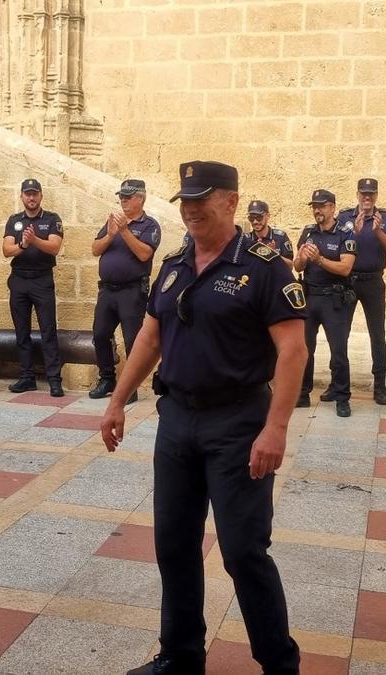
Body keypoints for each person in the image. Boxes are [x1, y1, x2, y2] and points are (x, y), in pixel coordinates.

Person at [101, 160, 305, 675]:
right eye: (185, 200)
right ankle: (181, 655)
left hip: (237, 423)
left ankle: (280, 665)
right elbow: (150, 337)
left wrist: (275, 427)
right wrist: (118, 399)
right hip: (177, 422)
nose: (191, 209)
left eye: (202, 198)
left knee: (242, 552)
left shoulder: (265, 267)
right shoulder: (174, 264)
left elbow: (293, 352)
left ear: (232, 201)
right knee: (173, 543)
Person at [90, 179, 162, 402]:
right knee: (100, 334)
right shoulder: (112, 222)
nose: (123, 200)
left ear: (140, 198)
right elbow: (95, 249)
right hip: (107, 291)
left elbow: (144, 254)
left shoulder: (150, 225)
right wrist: (111, 234)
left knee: (133, 340)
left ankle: (130, 387)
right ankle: (107, 379)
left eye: (128, 196)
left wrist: (124, 231)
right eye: (121, 196)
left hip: (132, 292)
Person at [294, 189, 356, 417]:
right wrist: (302, 257)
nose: (317, 210)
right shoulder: (308, 233)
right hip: (310, 298)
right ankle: (302, 394)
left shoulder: (345, 233)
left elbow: (346, 267)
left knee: (338, 351)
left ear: (332, 207)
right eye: (314, 206)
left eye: (321, 206)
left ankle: (342, 397)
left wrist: (319, 259)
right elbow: (298, 266)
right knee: (304, 349)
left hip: (334, 299)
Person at [336, 178, 386, 404]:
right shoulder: (345, 217)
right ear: (357, 194)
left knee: (377, 335)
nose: (367, 198)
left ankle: (380, 384)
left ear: (377, 195)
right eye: (363, 194)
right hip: (349, 281)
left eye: (371, 194)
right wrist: (356, 232)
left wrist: (378, 231)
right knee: (340, 334)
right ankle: (337, 382)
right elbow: (338, 244)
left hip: (373, 281)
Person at [3, 178, 65, 397]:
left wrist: (34, 240)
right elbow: (6, 250)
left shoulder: (51, 219)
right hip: (19, 279)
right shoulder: (14, 220)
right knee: (22, 332)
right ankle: (27, 377)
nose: (31, 197)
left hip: (42, 280)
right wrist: (23, 244)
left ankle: (54, 380)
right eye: (27, 194)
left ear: (41, 195)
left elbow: (54, 247)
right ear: (21, 196)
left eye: (35, 193)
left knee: (48, 330)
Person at [246, 200, 293, 269]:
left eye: (259, 217)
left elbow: (290, 266)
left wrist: (275, 256)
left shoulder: (280, 237)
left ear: (268, 216)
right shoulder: (245, 239)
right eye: (251, 218)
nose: (255, 221)